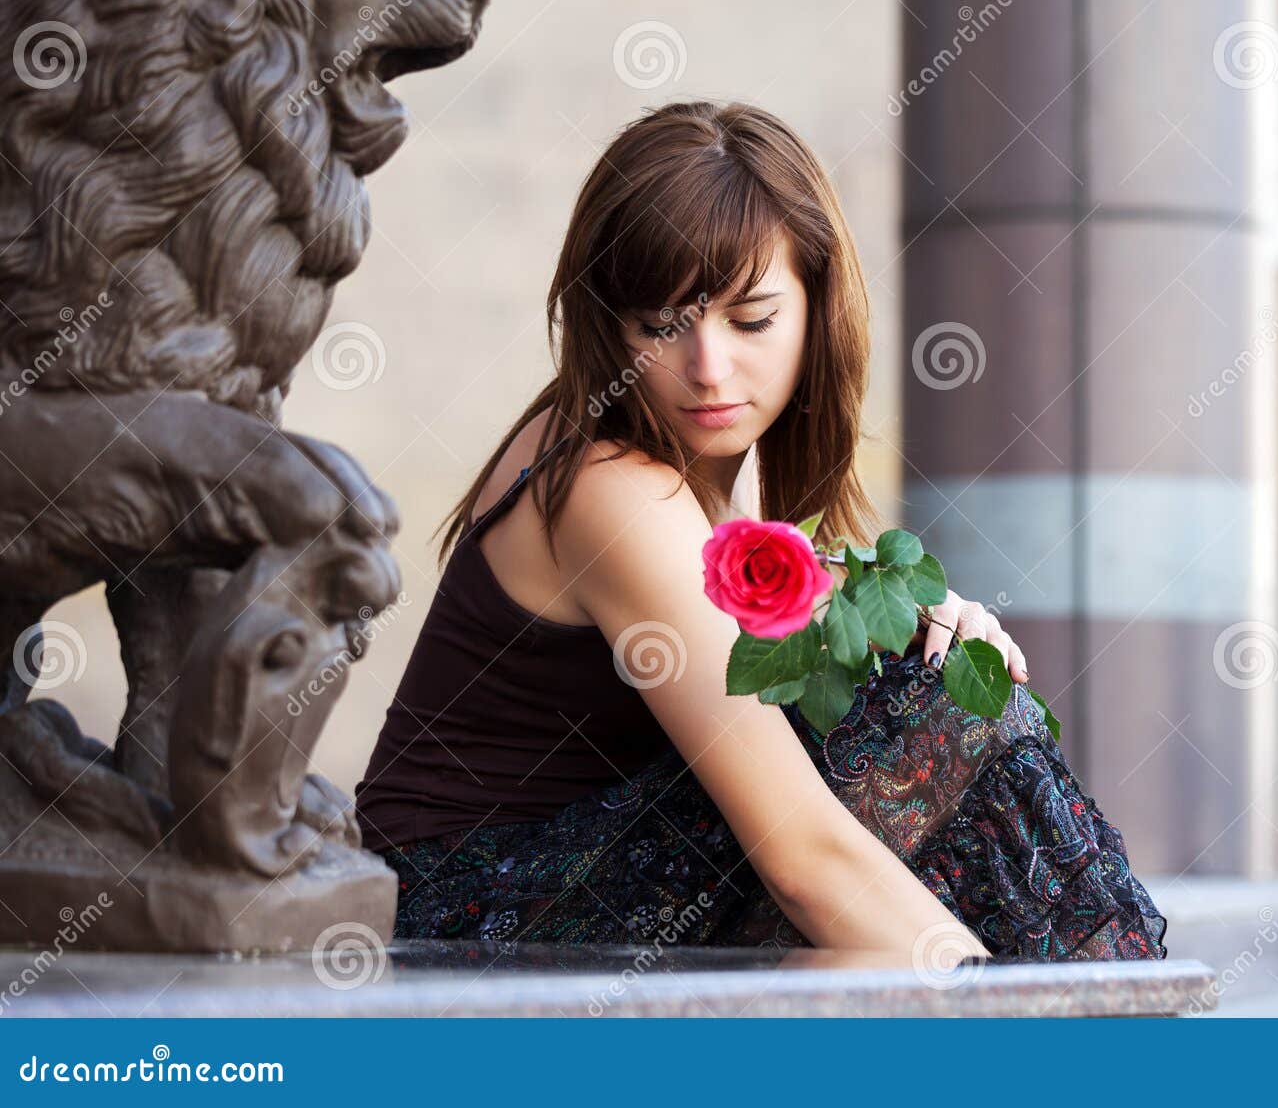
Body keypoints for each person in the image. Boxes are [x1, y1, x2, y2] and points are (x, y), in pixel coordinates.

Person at [354, 100, 1167, 967]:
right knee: (926, 711)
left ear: (819, 306)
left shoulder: (696, 482)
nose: (708, 369)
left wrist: (917, 625)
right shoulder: (612, 487)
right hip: (471, 922)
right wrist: (999, 1008)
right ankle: (1091, 1029)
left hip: (570, 882)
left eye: (750, 320)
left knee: (930, 680)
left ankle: (1092, 1021)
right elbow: (802, 858)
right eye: (661, 326)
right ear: (608, 325)